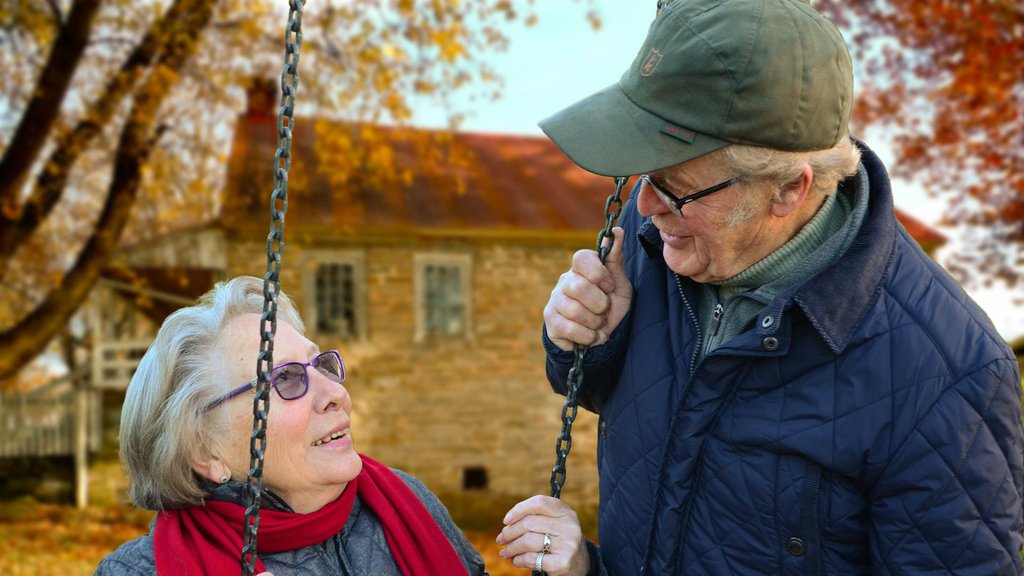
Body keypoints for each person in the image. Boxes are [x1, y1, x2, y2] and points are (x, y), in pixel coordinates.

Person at [496, 0, 1024, 574]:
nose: (645, 207)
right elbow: (632, 406)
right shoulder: (657, 233)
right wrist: (586, 342)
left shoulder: (948, 374)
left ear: (787, 192)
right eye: (645, 175)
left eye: (675, 187)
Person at [95, 276, 485, 575]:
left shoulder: (408, 503)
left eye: (320, 365)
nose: (334, 392)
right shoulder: (140, 571)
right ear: (204, 451)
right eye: (285, 379)